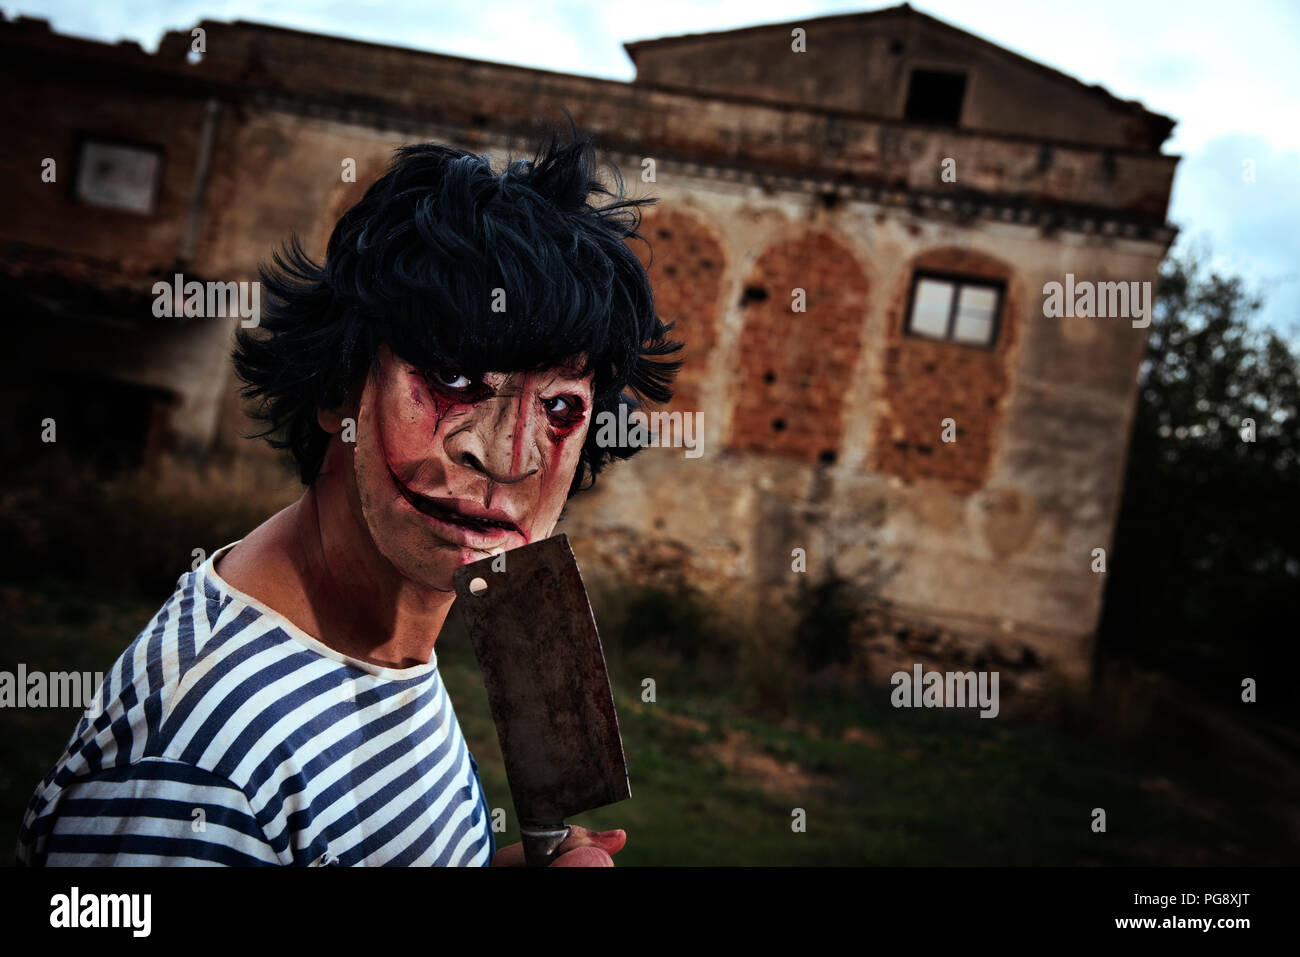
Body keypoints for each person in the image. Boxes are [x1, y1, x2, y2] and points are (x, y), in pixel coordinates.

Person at [16, 120, 681, 866]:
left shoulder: (384, 634)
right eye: (455, 379)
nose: (507, 455)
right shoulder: (201, 770)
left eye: (560, 407)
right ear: (340, 388)